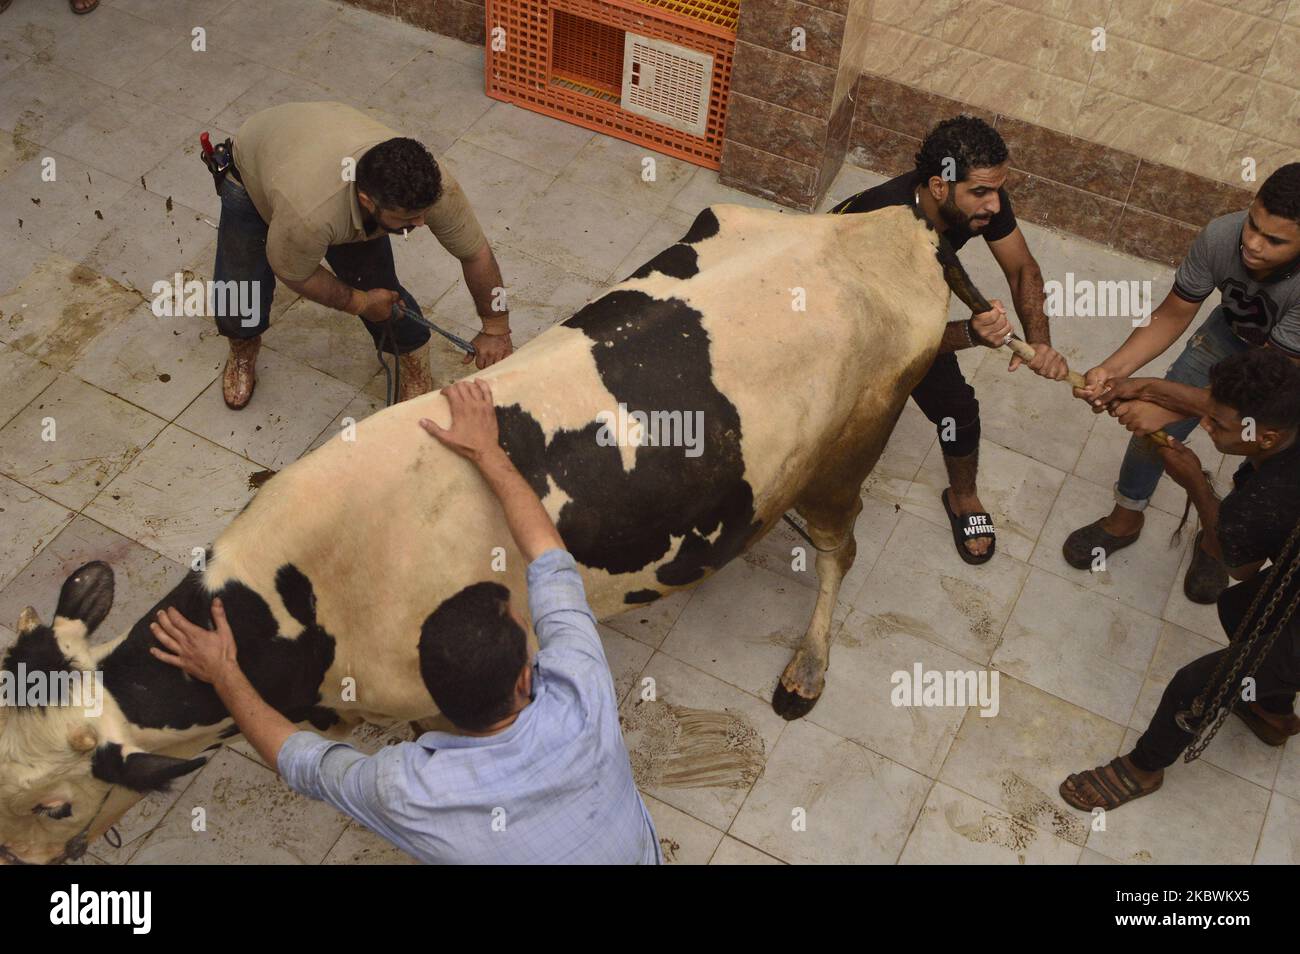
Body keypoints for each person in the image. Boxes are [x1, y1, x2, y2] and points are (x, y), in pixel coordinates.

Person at [148, 379, 661, 864]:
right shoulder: (583, 692)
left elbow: (298, 760)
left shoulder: (406, 791)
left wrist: (224, 674)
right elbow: (550, 557)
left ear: (434, 697)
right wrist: (487, 450)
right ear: (527, 676)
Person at [1060, 348, 1300, 812]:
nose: (1206, 427)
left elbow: (1236, 562)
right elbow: (1213, 404)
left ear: (1265, 437)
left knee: (1197, 684)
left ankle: (1143, 769)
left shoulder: (1269, 500)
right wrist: (1143, 386)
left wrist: (1193, 479)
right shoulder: (1289, 404)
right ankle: (1272, 712)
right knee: (1238, 609)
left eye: (1218, 427)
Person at [831, 115, 1067, 564]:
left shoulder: (977, 199)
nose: (995, 205)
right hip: (838, 320)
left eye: (998, 189)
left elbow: (1022, 269)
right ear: (940, 187)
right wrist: (970, 334)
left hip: (905, 304)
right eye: (982, 192)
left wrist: (1040, 342)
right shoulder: (882, 227)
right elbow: (888, 345)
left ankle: (963, 497)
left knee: (956, 410)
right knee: (840, 422)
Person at [1063, 162, 1300, 603]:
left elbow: (1260, 388)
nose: (1251, 242)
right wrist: (1114, 371)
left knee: (1255, 455)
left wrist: (1163, 400)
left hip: (1283, 373)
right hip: (1227, 335)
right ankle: (1126, 516)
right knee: (1153, 436)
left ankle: (1220, 535)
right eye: (1252, 224)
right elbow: (1172, 314)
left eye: (1274, 240)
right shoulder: (1220, 235)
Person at [212, 101, 515, 409]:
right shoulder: (311, 214)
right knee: (239, 289)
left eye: (424, 214)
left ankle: (413, 361)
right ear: (367, 202)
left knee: (378, 285)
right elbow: (295, 273)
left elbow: (476, 254)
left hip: (318, 142)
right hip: (253, 168)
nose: (421, 224)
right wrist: (362, 303)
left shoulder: (433, 186)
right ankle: (242, 345)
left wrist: (496, 325)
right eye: (408, 218)